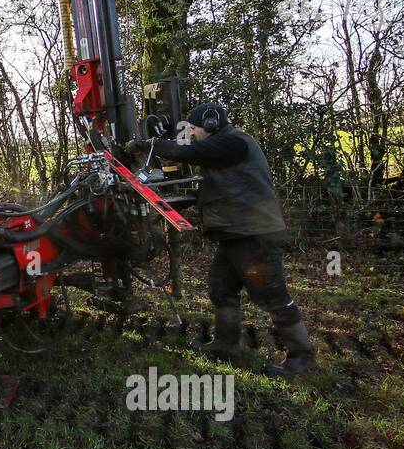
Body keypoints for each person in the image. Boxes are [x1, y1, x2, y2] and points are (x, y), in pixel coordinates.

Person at [126, 102, 316, 376]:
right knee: (221, 288)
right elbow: (217, 187)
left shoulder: (233, 143)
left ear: (211, 124)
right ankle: (227, 345)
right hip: (235, 234)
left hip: (254, 234)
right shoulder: (223, 149)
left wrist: (148, 144)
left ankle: (302, 358)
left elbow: (185, 152)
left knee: (272, 294)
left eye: (193, 129)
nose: (191, 134)